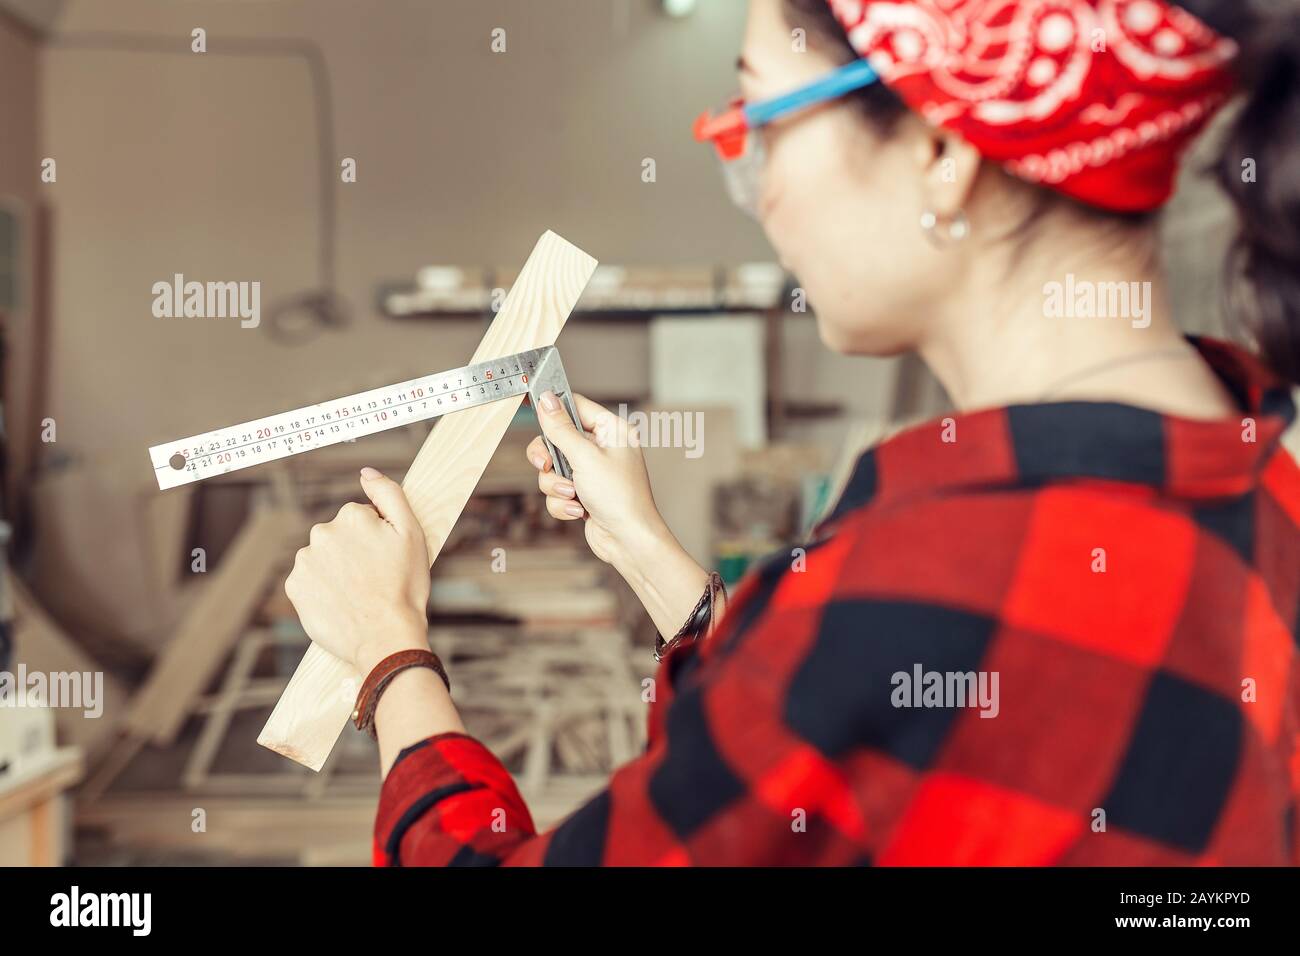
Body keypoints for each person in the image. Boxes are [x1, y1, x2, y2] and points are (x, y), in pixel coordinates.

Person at [283, 0, 1300, 865]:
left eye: (759, 121)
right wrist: (648, 552)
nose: (756, 187)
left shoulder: (927, 583)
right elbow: (832, 735)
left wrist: (389, 650)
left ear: (942, 150)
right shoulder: (1263, 472)